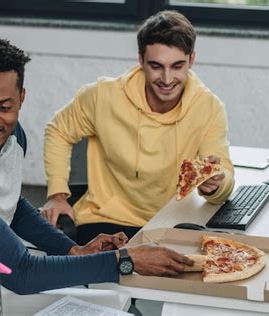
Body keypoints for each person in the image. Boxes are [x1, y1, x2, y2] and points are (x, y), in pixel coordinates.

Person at [0, 37, 193, 295]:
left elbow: (10, 206)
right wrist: (125, 260)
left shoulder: (13, 136)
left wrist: (71, 249)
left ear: (21, 98)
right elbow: (22, 273)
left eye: (4, 107)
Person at [42, 10, 235, 245]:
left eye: (177, 66)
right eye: (156, 66)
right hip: (105, 218)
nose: (166, 79)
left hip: (170, 223)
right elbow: (58, 130)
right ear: (141, 60)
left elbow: (223, 181)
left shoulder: (209, 107)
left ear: (191, 60)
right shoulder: (102, 95)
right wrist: (57, 195)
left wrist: (215, 185)